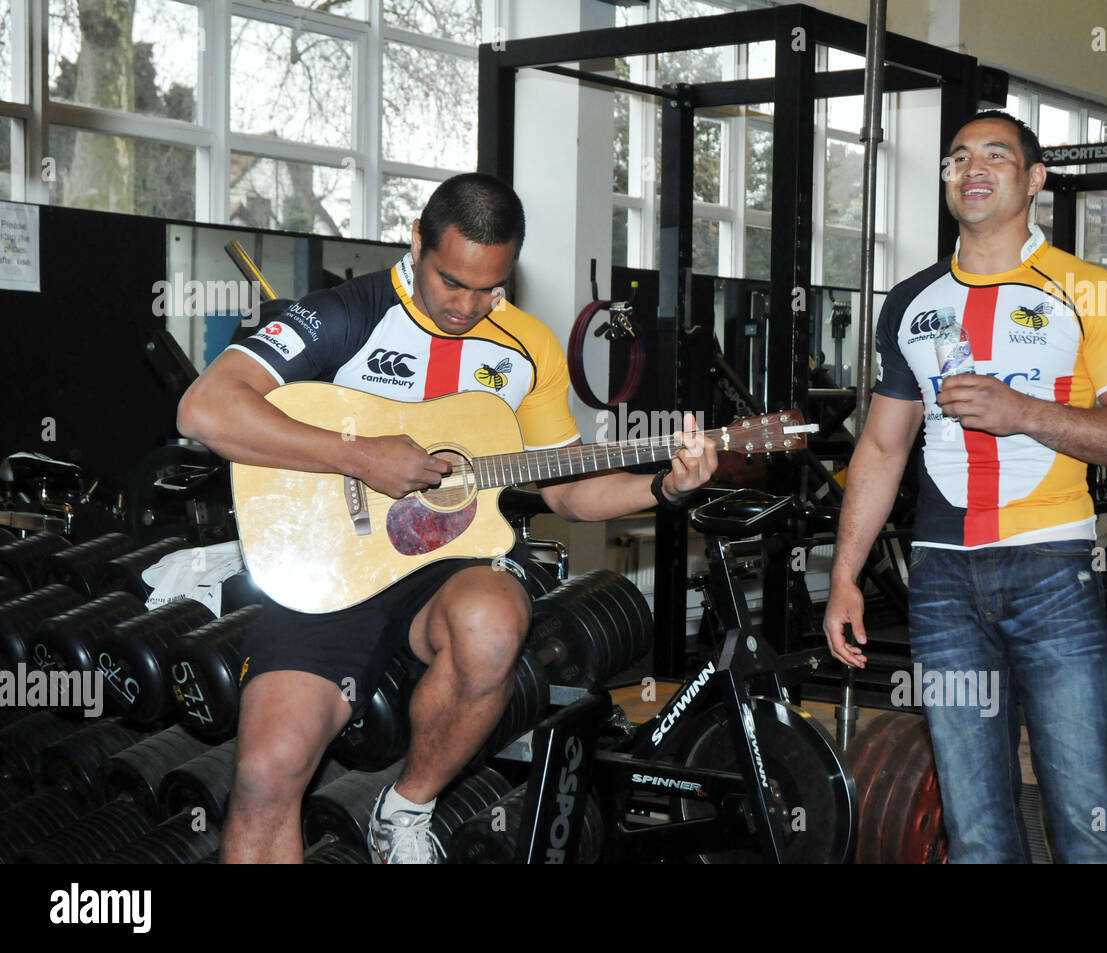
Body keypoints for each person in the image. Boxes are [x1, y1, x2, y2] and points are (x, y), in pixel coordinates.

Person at [177, 173, 719, 863]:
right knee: (264, 775)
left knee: (494, 617)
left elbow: (568, 492)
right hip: (331, 565)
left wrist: (667, 488)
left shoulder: (528, 348)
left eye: (490, 287)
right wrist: (359, 454)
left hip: (448, 573)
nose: (468, 305)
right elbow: (204, 407)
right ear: (417, 244)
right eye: (452, 282)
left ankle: (405, 809)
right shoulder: (347, 312)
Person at [823, 111, 1107, 863]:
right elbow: (884, 446)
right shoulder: (911, 302)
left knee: (1087, 820)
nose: (971, 169)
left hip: (1053, 567)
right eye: (957, 158)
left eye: (995, 155)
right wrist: (846, 574)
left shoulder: (1095, 290)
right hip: (942, 579)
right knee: (977, 828)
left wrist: (1021, 412)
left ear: (1035, 179)